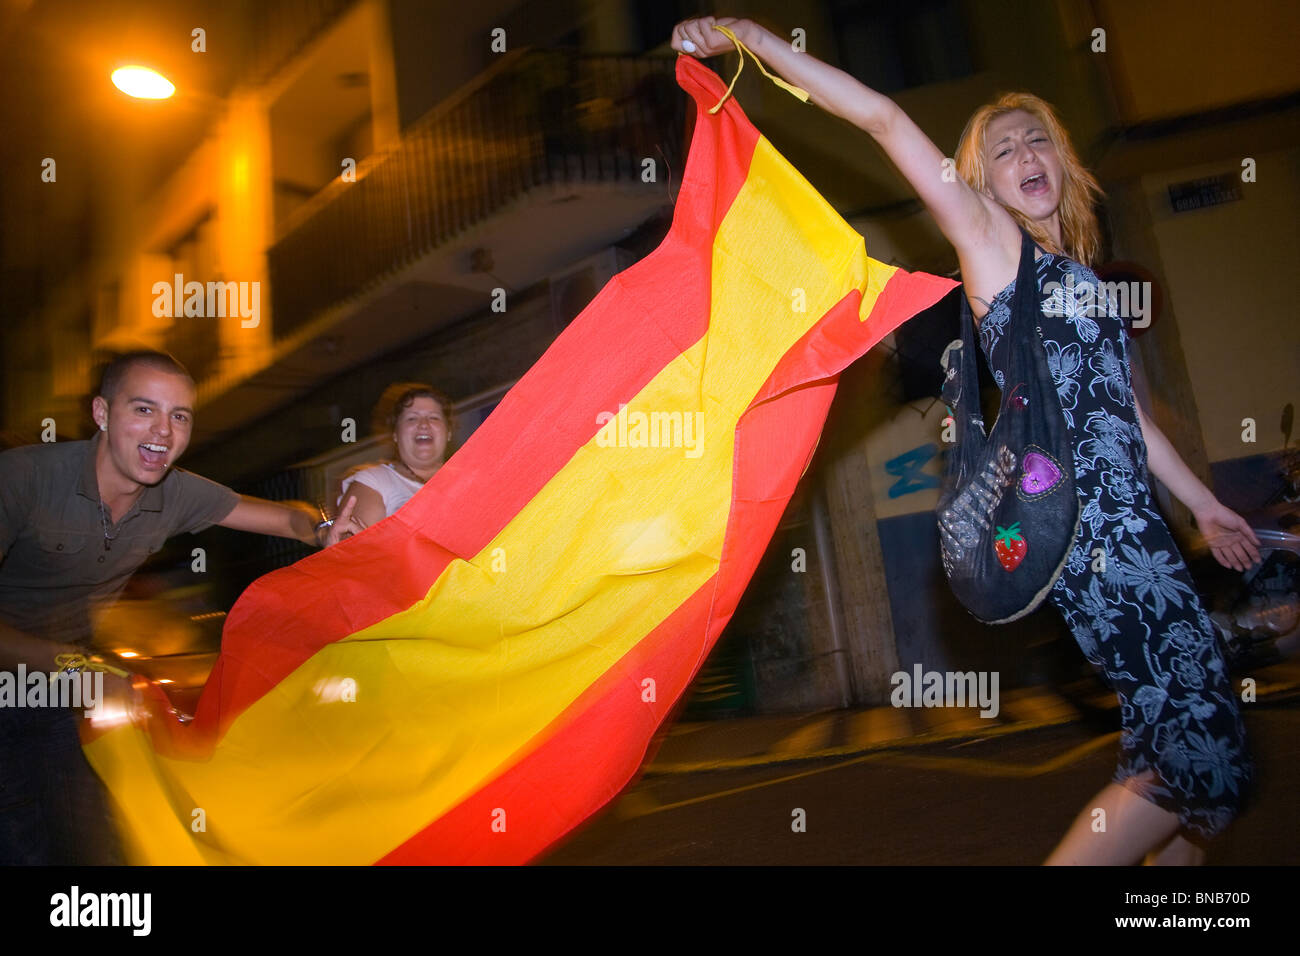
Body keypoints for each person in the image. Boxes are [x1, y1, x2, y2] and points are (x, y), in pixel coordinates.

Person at [674, 17, 1261, 865]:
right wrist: (750, 38)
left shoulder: (1083, 283)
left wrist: (1203, 504)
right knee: (1197, 748)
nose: (1026, 155)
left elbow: (1122, 416)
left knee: (1175, 755)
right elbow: (881, 118)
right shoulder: (994, 246)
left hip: (1142, 536)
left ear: (1062, 160)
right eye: (1003, 149)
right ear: (978, 180)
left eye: (1038, 141)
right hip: (1093, 542)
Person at [0, 349, 353, 864]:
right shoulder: (23, 479)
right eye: (144, 409)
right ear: (101, 413)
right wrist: (79, 671)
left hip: (59, 693)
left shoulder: (176, 492)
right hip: (43, 673)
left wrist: (322, 530)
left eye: (179, 416)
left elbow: (286, 520)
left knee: (91, 843)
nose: (163, 431)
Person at [328, 382, 454, 542]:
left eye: (433, 417)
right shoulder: (374, 482)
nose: (424, 424)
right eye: (412, 418)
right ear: (395, 434)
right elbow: (354, 555)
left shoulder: (472, 480)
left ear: (448, 432)